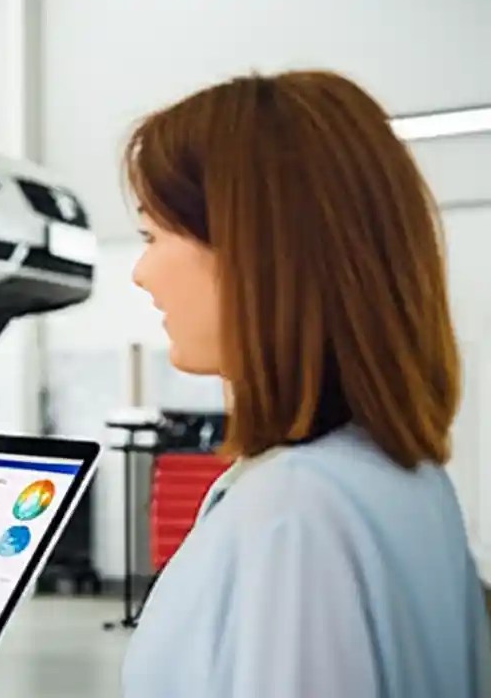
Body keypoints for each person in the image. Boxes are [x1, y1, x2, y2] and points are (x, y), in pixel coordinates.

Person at [120, 70, 491, 697]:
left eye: (152, 236)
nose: (140, 272)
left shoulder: (292, 512)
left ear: (253, 252)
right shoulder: (406, 477)